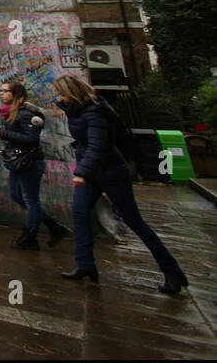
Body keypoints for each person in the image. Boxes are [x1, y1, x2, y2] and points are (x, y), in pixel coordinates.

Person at [54, 75, 188, 294]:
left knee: (134, 221)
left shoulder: (96, 111)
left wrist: (82, 173)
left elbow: (98, 146)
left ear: (71, 92)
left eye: (61, 93)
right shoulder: (77, 109)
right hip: (91, 172)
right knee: (79, 213)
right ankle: (85, 264)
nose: (59, 98)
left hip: (110, 172)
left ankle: (172, 271)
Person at [0, 80, 69, 249]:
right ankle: (53, 227)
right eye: (1, 91)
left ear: (16, 94)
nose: (2, 94)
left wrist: (3, 133)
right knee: (16, 195)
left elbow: (31, 139)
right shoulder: (11, 112)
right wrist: (2, 132)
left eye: (5, 91)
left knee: (31, 200)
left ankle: (30, 237)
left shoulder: (26, 114)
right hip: (18, 161)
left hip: (29, 161)